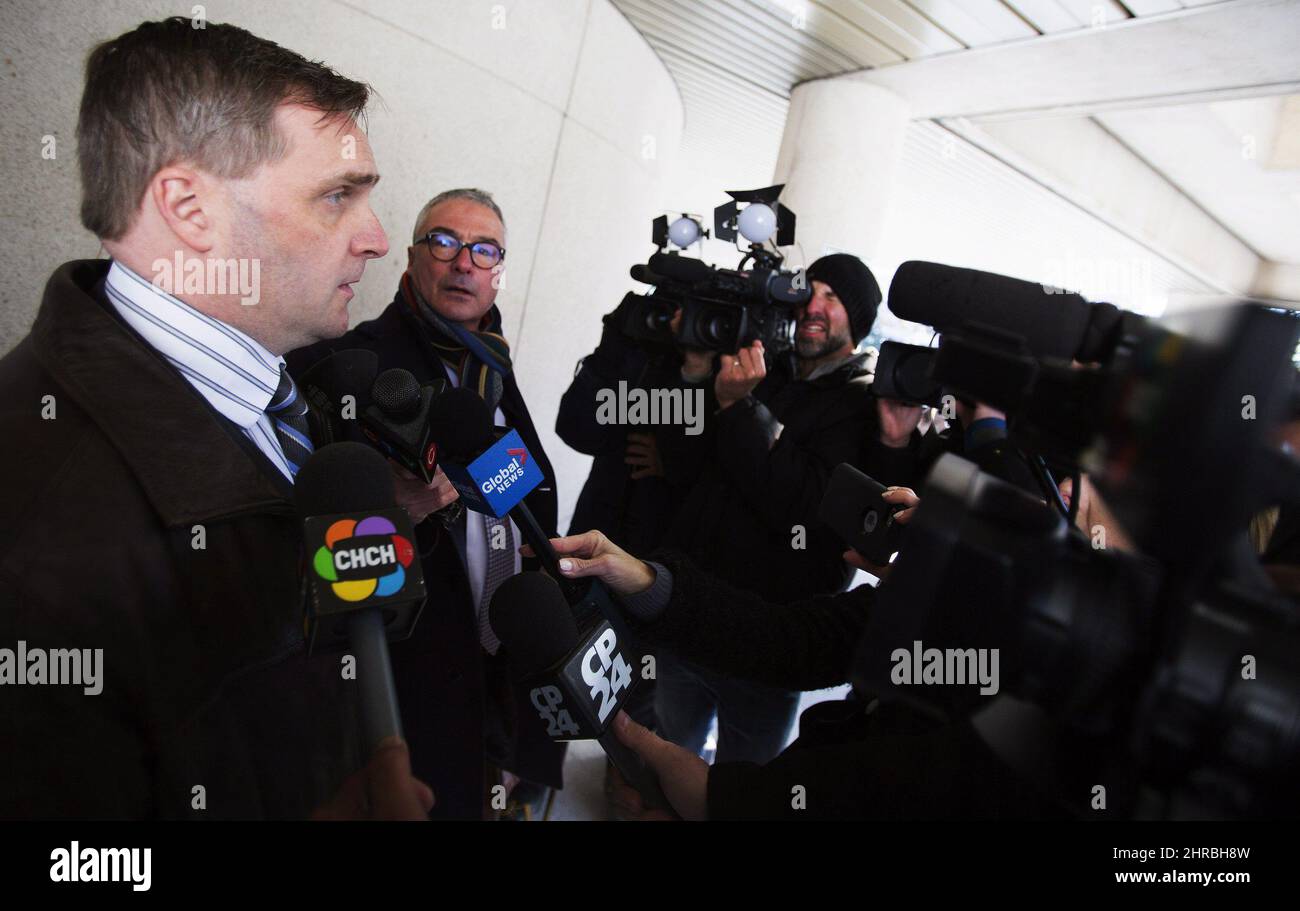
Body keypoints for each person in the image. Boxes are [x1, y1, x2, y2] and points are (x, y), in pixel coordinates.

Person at [0, 17, 431, 818]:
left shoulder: (288, 392)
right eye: (338, 195)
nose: (376, 239)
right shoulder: (35, 551)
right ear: (189, 210)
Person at [287, 188, 564, 819]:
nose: (463, 262)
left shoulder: (490, 369)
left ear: (498, 273)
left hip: (494, 659)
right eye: (444, 241)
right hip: (396, 677)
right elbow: (287, 540)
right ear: (412, 256)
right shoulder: (336, 365)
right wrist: (395, 513)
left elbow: (526, 496)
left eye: (484, 250)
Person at [651, 253, 915, 767]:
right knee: (667, 758)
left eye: (832, 297)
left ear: (857, 319)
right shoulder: (758, 368)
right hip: (691, 614)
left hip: (770, 646)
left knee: (744, 792)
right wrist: (698, 373)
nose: (812, 306)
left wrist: (738, 407)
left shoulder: (869, 406)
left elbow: (806, 508)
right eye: (805, 291)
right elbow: (682, 469)